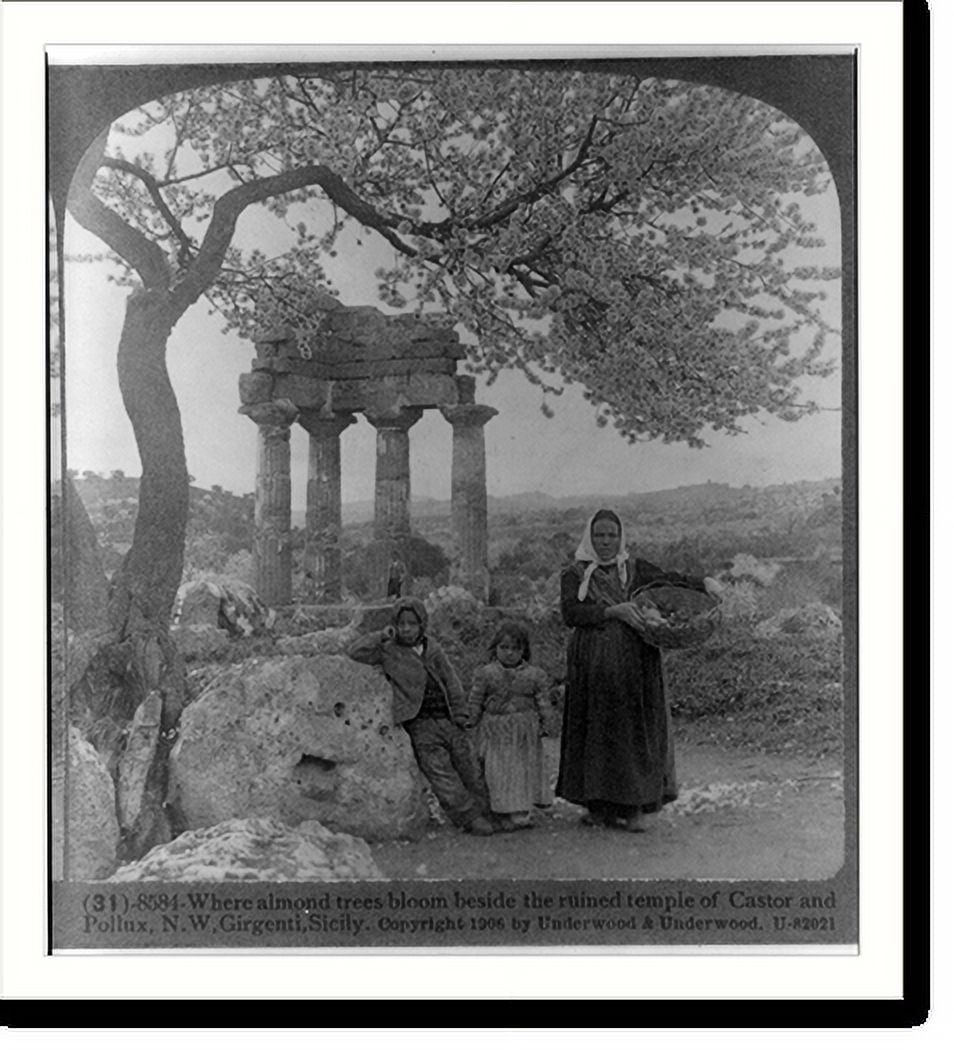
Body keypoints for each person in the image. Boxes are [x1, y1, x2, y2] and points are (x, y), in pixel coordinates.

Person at [556, 508, 721, 833]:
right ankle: (599, 806)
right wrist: (612, 610)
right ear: (590, 537)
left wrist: (703, 582)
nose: (605, 542)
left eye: (612, 535)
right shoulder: (575, 573)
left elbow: (670, 579)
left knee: (633, 731)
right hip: (593, 664)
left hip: (635, 663)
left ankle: (633, 807)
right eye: (599, 535)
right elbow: (571, 613)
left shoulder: (634, 569)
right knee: (597, 732)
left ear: (621, 538)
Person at [346, 596, 496, 836]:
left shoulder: (432, 648)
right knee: (441, 774)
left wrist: (460, 712)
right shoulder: (389, 649)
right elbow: (355, 651)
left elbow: (451, 680)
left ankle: (488, 810)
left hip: (447, 717)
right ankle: (469, 817)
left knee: (470, 765)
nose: (406, 629)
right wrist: (381, 636)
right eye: (401, 623)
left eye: (412, 624)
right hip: (420, 723)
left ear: (422, 625)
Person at [466, 621, 556, 832]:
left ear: (524, 651)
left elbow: (543, 702)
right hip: (496, 732)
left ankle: (519, 809)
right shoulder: (486, 674)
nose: (509, 653)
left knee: (520, 771)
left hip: (523, 734)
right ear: (495, 648)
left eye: (515, 649)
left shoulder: (535, 675)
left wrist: (548, 723)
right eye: (503, 648)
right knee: (496, 770)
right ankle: (500, 810)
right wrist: (470, 721)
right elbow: (475, 700)